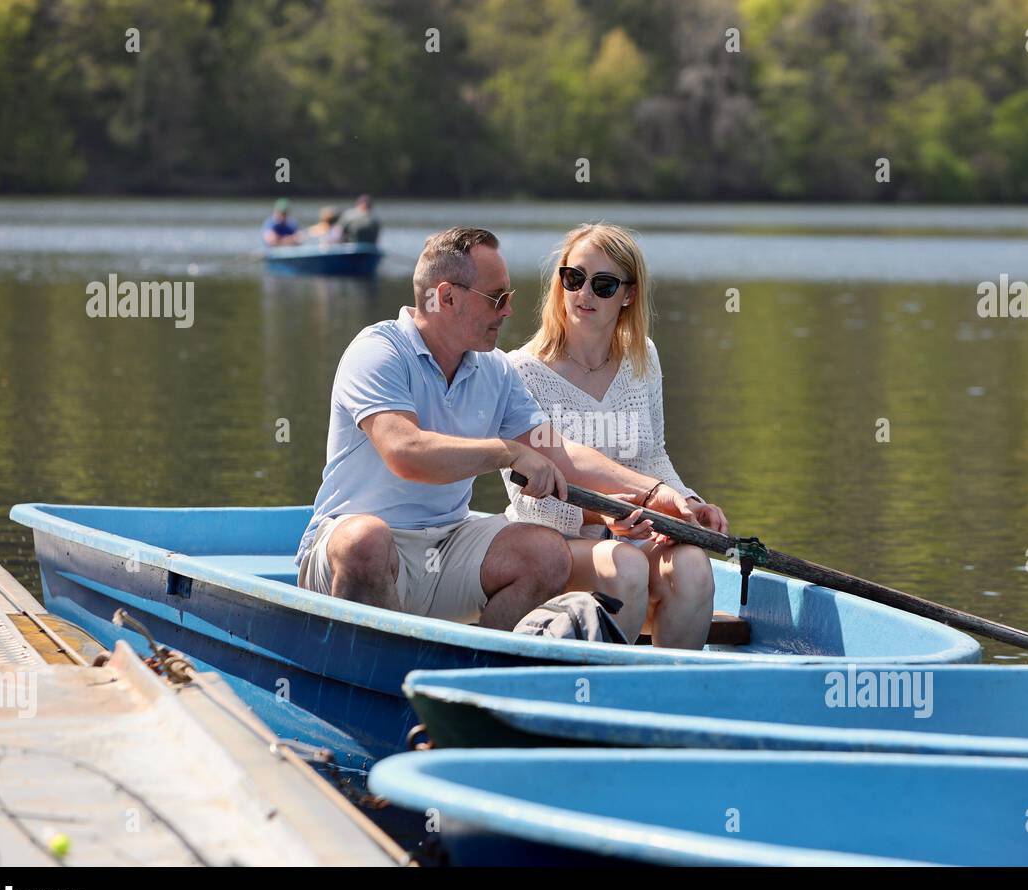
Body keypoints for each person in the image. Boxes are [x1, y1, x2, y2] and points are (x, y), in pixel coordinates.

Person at [295, 226, 707, 633]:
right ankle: (384, 681)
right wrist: (505, 451)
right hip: (352, 550)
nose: (509, 310)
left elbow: (558, 452)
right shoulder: (377, 351)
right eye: (497, 298)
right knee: (365, 539)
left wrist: (655, 492)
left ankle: (478, 681)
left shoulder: (494, 370)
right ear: (446, 297)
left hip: (448, 544)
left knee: (547, 554)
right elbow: (406, 453)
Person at [501, 223, 729, 648]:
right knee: (624, 566)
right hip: (553, 544)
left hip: (636, 535)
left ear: (628, 295)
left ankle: (666, 696)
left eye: (603, 284)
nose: (584, 294)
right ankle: (598, 691)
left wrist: (688, 504)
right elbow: (525, 499)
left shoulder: (644, 358)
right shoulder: (519, 371)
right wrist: (602, 515)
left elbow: (654, 457)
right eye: (574, 278)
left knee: (695, 567)